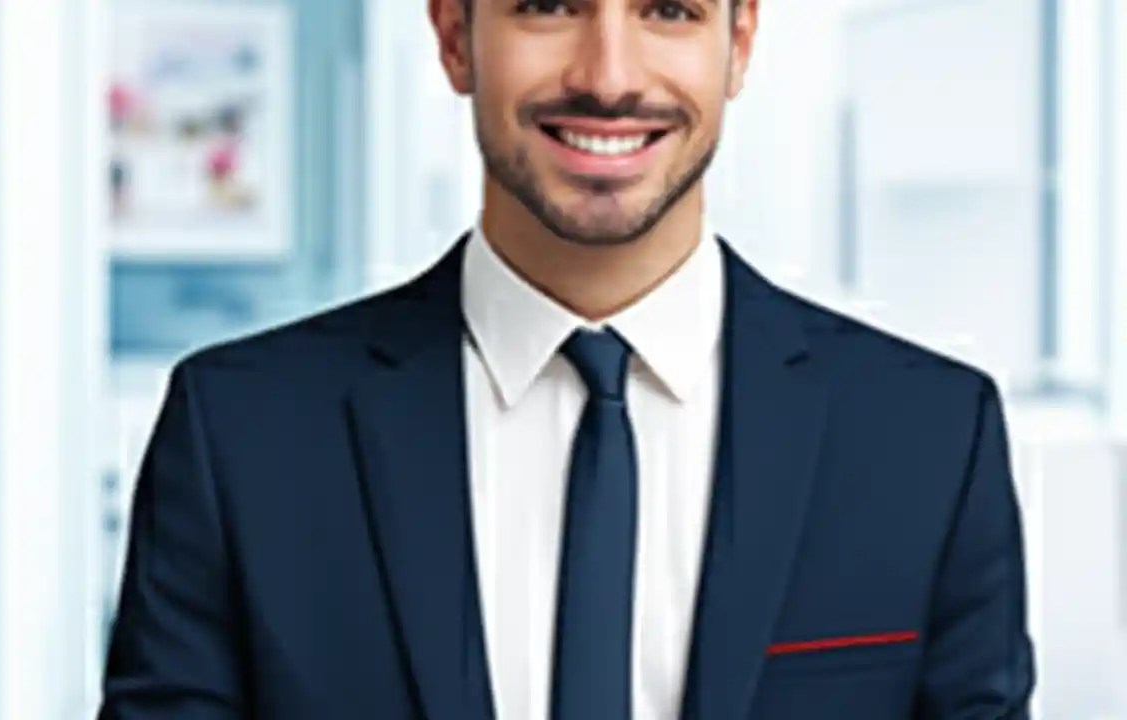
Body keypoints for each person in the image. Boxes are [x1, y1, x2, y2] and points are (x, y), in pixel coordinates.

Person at [97, 0, 1037, 717]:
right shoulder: (243, 435)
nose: (609, 76)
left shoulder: (928, 442)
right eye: (549, 4)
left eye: (669, 9)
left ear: (740, 41)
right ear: (455, 36)